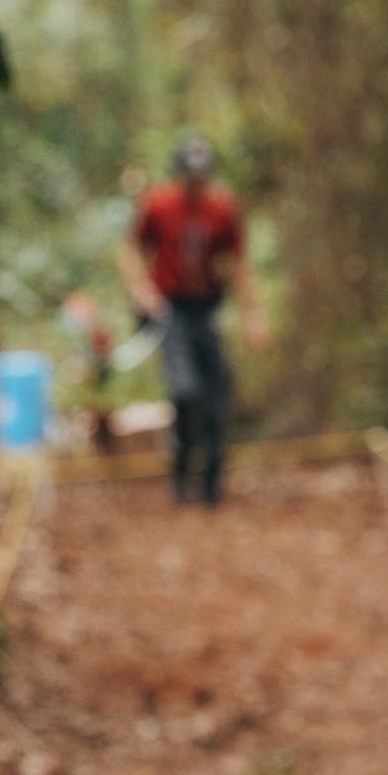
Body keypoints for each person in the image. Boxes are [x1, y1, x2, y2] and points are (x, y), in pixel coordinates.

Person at [119, 136, 269, 505]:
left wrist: (254, 314)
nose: (196, 186)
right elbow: (132, 249)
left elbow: (237, 263)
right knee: (185, 391)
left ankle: (212, 484)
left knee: (218, 392)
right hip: (170, 309)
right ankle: (181, 470)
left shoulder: (222, 209)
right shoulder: (158, 204)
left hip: (207, 308)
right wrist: (141, 290)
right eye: (190, 179)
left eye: (202, 179)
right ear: (179, 177)